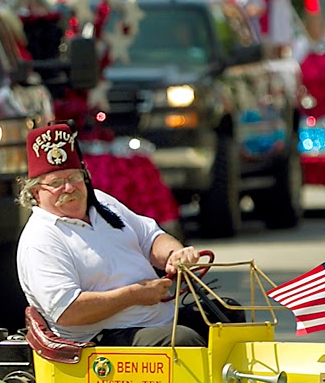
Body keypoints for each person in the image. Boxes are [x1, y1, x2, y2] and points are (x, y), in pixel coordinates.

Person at [16, 123, 208, 346]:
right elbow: (67, 312)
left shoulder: (102, 203)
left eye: (75, 178)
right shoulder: (41, 239)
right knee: (184, 342)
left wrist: (175, 255)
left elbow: (151, 237)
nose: (69, 188)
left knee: (227, 317)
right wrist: (134, 295)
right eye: (56, 183)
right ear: (35, 192)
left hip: (158, 320)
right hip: (101, 342)